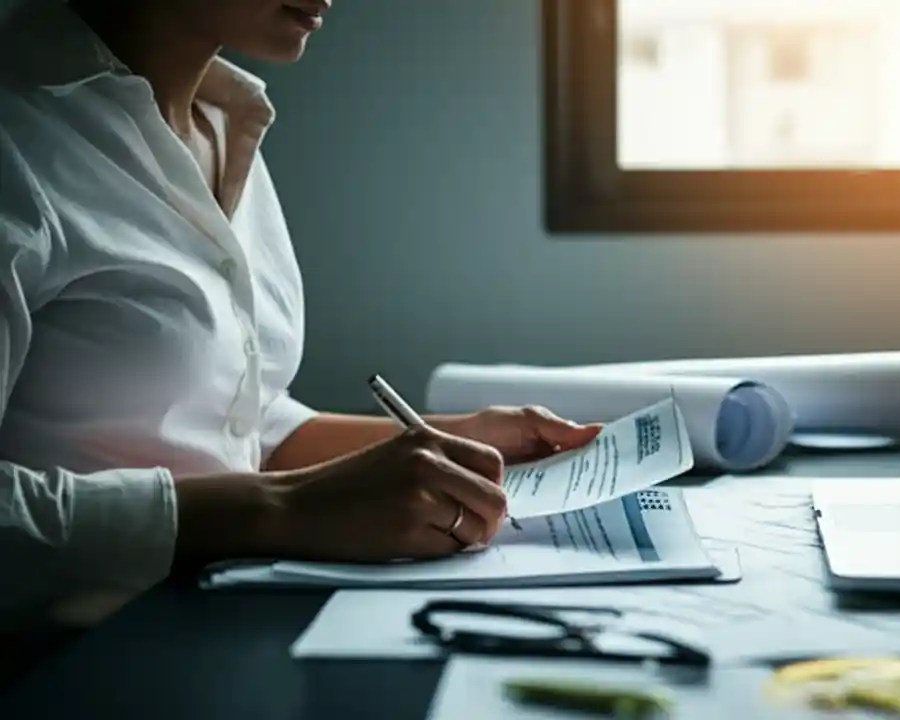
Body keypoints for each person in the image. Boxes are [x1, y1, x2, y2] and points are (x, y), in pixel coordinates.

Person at [0, 0, 602, 641]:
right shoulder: (21, 136)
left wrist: (448, 439)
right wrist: (281, 509)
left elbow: (235, 424)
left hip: (215, 627)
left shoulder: (224, 127)